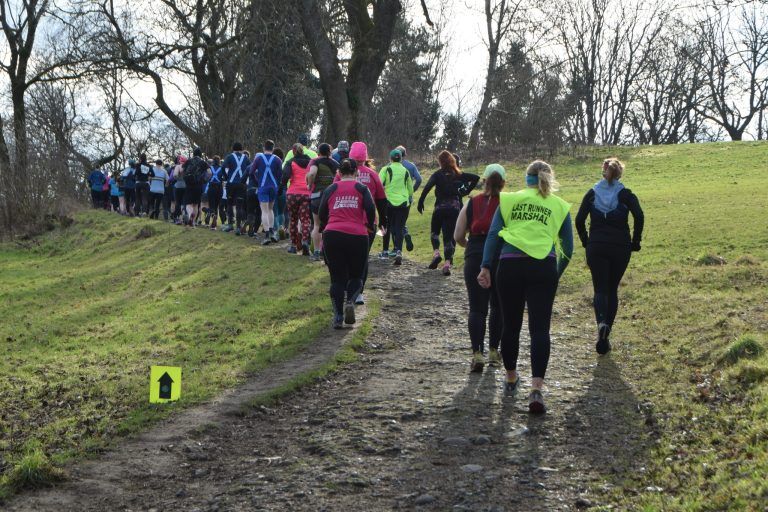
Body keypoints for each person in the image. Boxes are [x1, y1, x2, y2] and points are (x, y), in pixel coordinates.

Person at [477, 160, 573, 414]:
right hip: (543, 266)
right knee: (540, 329)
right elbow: (568, 248)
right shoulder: (559, 205)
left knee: (511, 326)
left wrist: (485, 266)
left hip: (509, 266)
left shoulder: (509, 200)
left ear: (526, 178)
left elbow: (493, 235)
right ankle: (536, 389)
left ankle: (511, 377)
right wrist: (555, 273)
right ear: (549, 178)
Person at [575, 158, 644, 355]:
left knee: (600, 289)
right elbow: (639, 215)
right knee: (612, 289)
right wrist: (635, 241)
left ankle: (601, 324)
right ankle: (605, 338)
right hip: (620, 246)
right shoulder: (626, 194)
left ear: (603, 171)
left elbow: (579, 220)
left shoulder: (592, 193)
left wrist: (586, 241)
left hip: (596, 246)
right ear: (620, 173)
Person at [454, 164, 505, 372]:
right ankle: (494, 351)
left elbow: (458, 235)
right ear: (503, 183)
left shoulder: (472, 202)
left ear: (484, 181)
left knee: (477, 308)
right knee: (498, 306)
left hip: (475, 255)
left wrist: (470, 246)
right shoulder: (508, 203)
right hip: (501, 256)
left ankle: (477, 354)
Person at [318, 158, 376, 329]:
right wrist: (369, 225)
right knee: (356, 276)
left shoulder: (331, 188)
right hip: (357, 235)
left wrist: (326, 224)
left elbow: (321, 212)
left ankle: (338, 316)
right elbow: (370, 208)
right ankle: (350, 301)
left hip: (333, 234)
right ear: (356, 172)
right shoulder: (362, 188)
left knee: (337, 279)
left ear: (339, 172)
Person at [417, 150, 480, 276]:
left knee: (435, 232)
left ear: (440, 162)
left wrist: (421, 202)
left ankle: (436, 253)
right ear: (452, 160)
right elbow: (476, 178)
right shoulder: (458, 174)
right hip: (454, 209)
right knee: (448, 237)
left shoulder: (437, 174)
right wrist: (467, 191)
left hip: (439, 208)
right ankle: (447, 264)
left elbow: (427, 187)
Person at [346, 141, 387, 305]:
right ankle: (359, 292)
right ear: (365, 157)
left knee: (347, 256)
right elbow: (382, 200)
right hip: (368, 224)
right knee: (362, 258)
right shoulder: (372, 175)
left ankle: (348, 287)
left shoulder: (341, 174)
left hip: (346, 222)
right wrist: (383, 220)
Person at [379, 149, 414, 266]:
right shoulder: (405, 171)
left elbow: (379, 183)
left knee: (386, 226)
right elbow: (410, 189)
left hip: (389, 202)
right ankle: (399, 251)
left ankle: (385, 252)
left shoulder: (386, 169)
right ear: (401, 159)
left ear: (390, 159)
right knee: (399, 227)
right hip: (403, 203)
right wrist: (407, 196)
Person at [306, 143, 340, 261]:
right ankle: (328, 252)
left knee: (317, 225)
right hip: (332, 197)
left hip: (317, 196)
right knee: (330, 225)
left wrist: (309, 184)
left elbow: (312, 173)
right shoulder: (336, 164)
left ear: (319, 151)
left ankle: (316, 252)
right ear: (330, 152)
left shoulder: (315, 161)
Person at [281, 143, 313, 255]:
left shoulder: (291, 162)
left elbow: (285, 176)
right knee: (305, 220)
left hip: (293, 194)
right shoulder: (311, 162)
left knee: (293, 219)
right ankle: (305, 242)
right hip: (306, 194)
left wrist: (282, 187)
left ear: (293, 151)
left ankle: (293, 246)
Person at [250, 140, 283, 245]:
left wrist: (257, 181)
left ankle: (267, 235)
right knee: (270, 209)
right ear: (273, 148)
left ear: (264, 148)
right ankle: (272, 232)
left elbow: (251, 172)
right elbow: (280, 175)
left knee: (264, 211)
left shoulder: (259, 158)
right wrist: (277, 185)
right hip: (273, 188)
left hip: (263, 187)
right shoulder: (278, 159)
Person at [395, 145, 422, 252]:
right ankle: (405, 235)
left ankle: (397, 248)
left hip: (393, 198)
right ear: (405, 155)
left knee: (395, 222)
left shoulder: (390, 165)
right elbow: (419, 179)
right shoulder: (411, 166)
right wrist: (412, 191)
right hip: (407, 198)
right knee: (402, 220)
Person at [223, 142, 250, 234]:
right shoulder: (246, 158)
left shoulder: (229, 157)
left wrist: (227, 178)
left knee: (230, 204)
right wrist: (246, 181)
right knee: (239, 206)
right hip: (242, 185)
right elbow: (250, 169)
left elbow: (224, 169)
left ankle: (230, 224)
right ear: (241, 149)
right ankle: (238, 227)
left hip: (231, 184)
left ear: (233, 148)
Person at [180, 148, 210, 227]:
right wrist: (204, 180)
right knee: (196, 204)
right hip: (198, 185)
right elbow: (210, 173)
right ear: (200, 154)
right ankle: (193, 222)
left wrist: (184, 177)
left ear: (193, 154)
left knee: (188, 204)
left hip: (189, 185)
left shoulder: (188, 161)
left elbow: (181, 170)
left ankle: (190, 215)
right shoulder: (203, 162)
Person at [206, 155, 225, 230]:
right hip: (219, 188)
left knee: (212, 205)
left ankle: (212, 215)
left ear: (213, 161)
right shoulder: (222, 168)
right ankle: (214, 224)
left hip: (211, 187)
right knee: (216, 206)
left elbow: (206, 177)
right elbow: (225, 178)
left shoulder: (210, 168)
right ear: (219, 161)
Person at [172, 156, 187, 224]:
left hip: (178, 186)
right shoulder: (187, 167)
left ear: (180, 161)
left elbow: (175, 175)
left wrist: (178, 179)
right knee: (184, 203)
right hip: (185, 186)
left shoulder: (178, 166)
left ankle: (178, 218)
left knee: (177, 202)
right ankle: (184, 217)